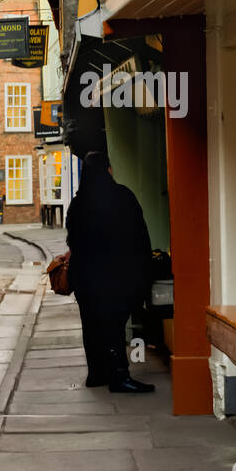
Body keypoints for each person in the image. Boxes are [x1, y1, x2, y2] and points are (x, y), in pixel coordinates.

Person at [65, 151, 155, 394]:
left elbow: (72, 239)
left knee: (92, 325)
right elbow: (140, 235)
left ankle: (97, 373)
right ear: (108, 170)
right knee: (114, 325)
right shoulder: (122, 197)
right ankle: (119, 376)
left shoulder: (78, 202)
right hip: (117, 275)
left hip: (85, 277)